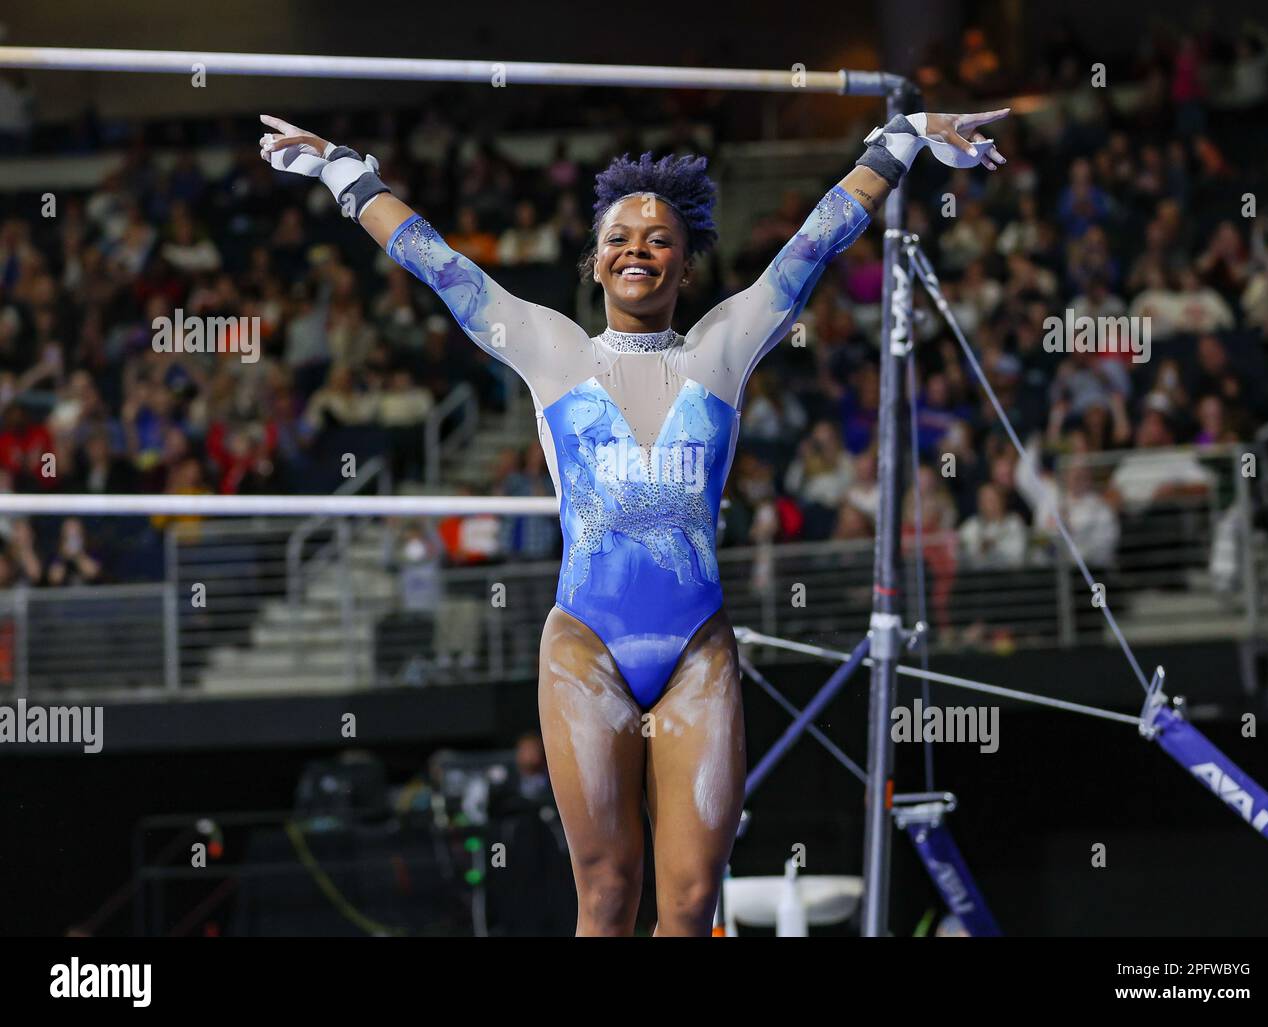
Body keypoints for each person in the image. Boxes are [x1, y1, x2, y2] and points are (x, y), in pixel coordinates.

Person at [259, 105, 1007, 936]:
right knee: (608, 895)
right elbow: (439, 264)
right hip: (586, 646)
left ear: (686, 264)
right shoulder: (553, 351)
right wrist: (341, 170)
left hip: (697, 650)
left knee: (690, 905)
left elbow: (816, 243)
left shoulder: (723, 346)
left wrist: (899, 140)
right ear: (594, 260)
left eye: (657, 239)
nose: (637, 250)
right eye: (619, 237)